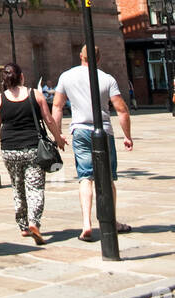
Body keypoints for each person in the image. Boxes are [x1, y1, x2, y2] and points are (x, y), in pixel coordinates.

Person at [52, 45, 133, 242]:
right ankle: (110, 221)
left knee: (85, 178)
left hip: (79, 131)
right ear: (99, 58)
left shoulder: (66, 77)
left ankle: (86, 224)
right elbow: (121, 110)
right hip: (104, 131)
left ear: (80, 56)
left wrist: (57, 135)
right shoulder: (107, 78)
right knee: (107, 179)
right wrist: (127, 136)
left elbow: (57, 106)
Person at [0, 63, 64, 244]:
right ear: (22, 77)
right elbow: (49, 119)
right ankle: (34, 222)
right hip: (33, 148)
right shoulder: (34, 95)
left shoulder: (0, 99)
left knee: (17, 187)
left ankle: (22, 226)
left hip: (9, 149)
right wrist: (58, 138)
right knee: (35, 188)